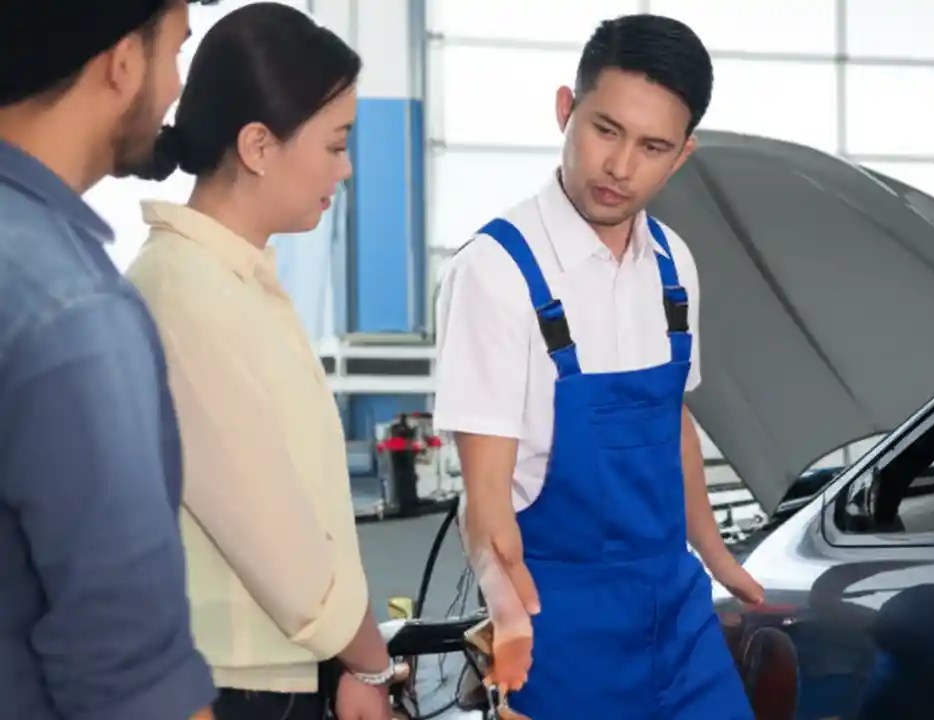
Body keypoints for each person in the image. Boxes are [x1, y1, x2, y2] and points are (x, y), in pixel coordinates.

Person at [433, 13, 763, 718]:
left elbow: (671, 420)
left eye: (652, 147)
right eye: (604, 130)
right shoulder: (496, 273)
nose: (619, 167)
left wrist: (713, 550)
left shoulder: (675, 266)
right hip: (554, 624)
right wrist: (503, 599)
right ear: (565, 110)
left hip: (675, 614)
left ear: (682, 156)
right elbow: (484, 494)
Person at [123, 4, 392, 719]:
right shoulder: (181, 292)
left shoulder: (237, 281)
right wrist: (370, 664)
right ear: (259, 146)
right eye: (336, 144)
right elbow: (275, 533)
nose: (348, 166)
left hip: (279, 671)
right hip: (230, 683)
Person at [0, 2, 218, 719]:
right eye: (175, 51)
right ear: (123, 61)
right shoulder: (73, 312)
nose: (175, 87)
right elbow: (129, 675)